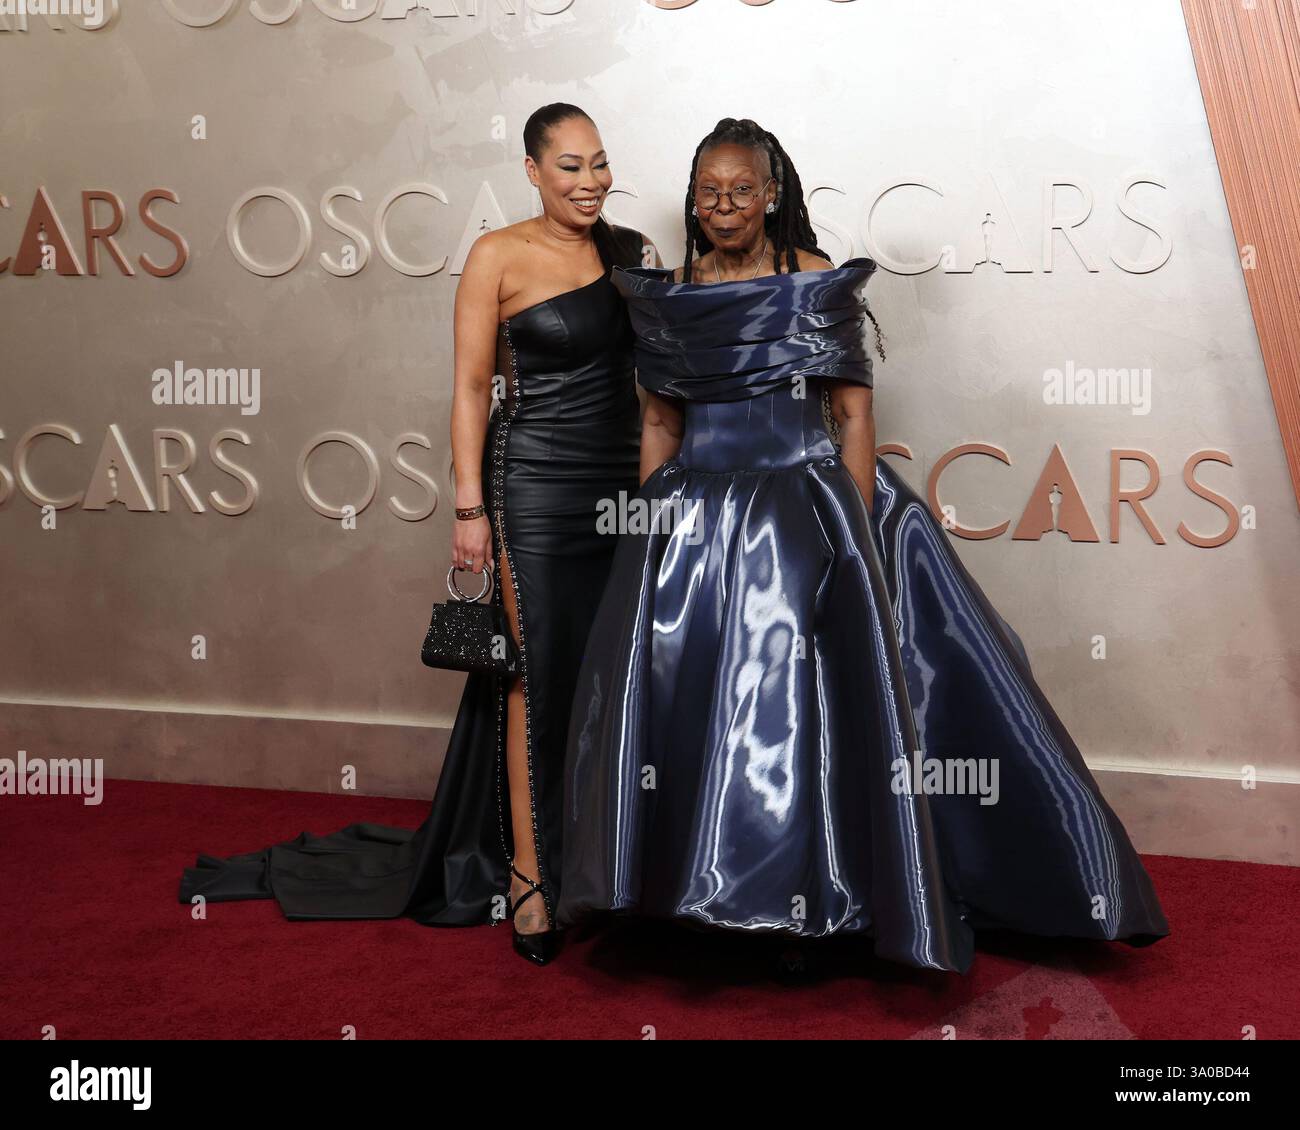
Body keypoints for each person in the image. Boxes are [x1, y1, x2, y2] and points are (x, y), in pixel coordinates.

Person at [556, 117, 1169, 974]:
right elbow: (659, 421)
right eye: (708, 191)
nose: (723, 205)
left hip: (804, 501)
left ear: (772, 194)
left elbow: (851, 416)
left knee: (810, 705)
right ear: (691, 198)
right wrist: (646, 528)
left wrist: (852, 529)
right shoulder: (665, 292)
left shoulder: (813, 282)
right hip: (692, 516)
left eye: (741, 189)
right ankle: (700, 896)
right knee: (689, 705)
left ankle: (828, 900)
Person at [179, 103, 657, 966]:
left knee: (605, 679)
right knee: (533, 680)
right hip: (535, 492)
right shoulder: (497, 256)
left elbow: (654, 387)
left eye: (599, 165)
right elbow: (472, 390)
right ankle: (529, 883)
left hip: (617, 491)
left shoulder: (629, 255)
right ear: (530, 171)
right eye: (569, 168)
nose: (590, 184)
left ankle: (602, 869)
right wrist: (469, 508)